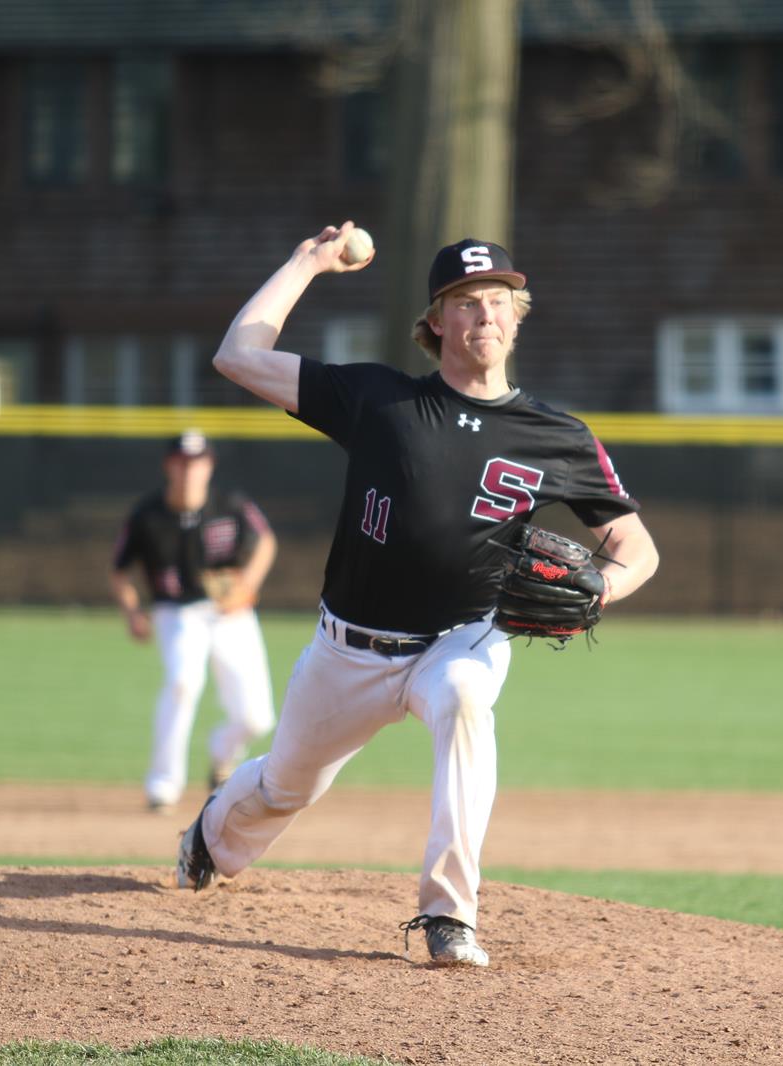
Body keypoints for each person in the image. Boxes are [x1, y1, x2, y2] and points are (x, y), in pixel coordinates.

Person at [175, 223, 660, 967]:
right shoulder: (379, 399)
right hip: (350, 649)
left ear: (517, 314)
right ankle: (213, 838)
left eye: (498, 299)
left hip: (463, 636)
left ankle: (449, 914)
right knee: (285, 785)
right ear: (436, 322)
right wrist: (308, 262)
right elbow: (237, 356)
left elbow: (637, 549)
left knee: (466, 695)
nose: (484, 314)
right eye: (464, 302)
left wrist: (600, 590)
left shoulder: (557, 437)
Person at [109, 429, 278, 813]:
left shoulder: (229, 504)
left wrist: (248, 584)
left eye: (197, 462)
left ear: (209, 466)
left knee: (257, 716)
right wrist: (133, 612)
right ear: (169, 466)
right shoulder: (147, 515)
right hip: (177, 611)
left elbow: (265, 540)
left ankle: (222, 753)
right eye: (182, 463)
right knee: (183, 682)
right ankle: (162, 786)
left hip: (230, 612)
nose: (189, 470)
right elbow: (120, 571)